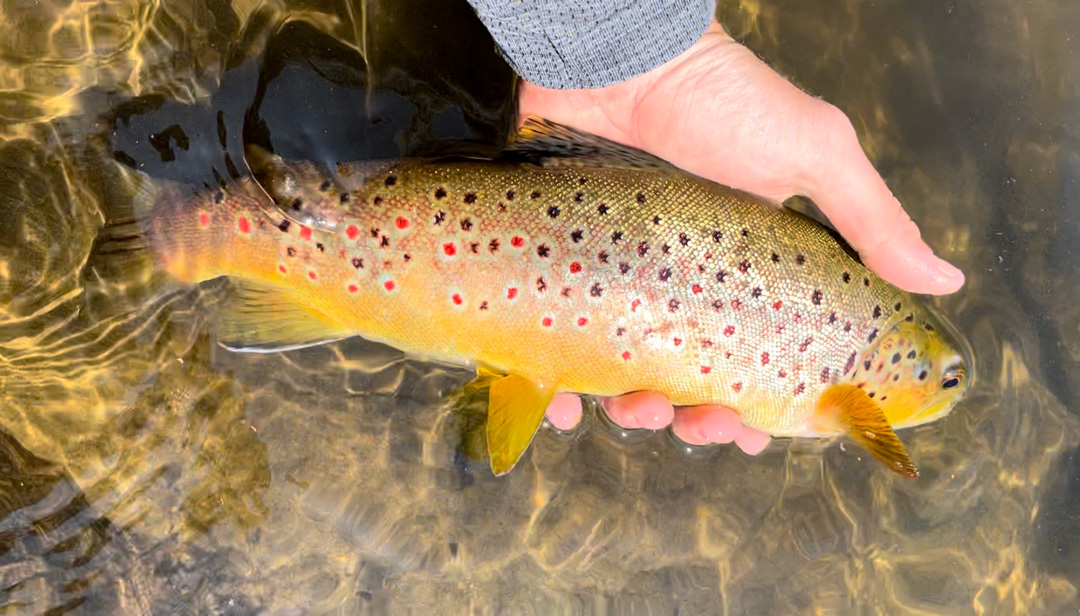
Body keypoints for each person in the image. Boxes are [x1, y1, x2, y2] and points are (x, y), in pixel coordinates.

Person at [466, 0, 965, 455]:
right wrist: (637, 56)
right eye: (946, 380)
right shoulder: (849, 403)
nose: (950, 389)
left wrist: (626, 44)